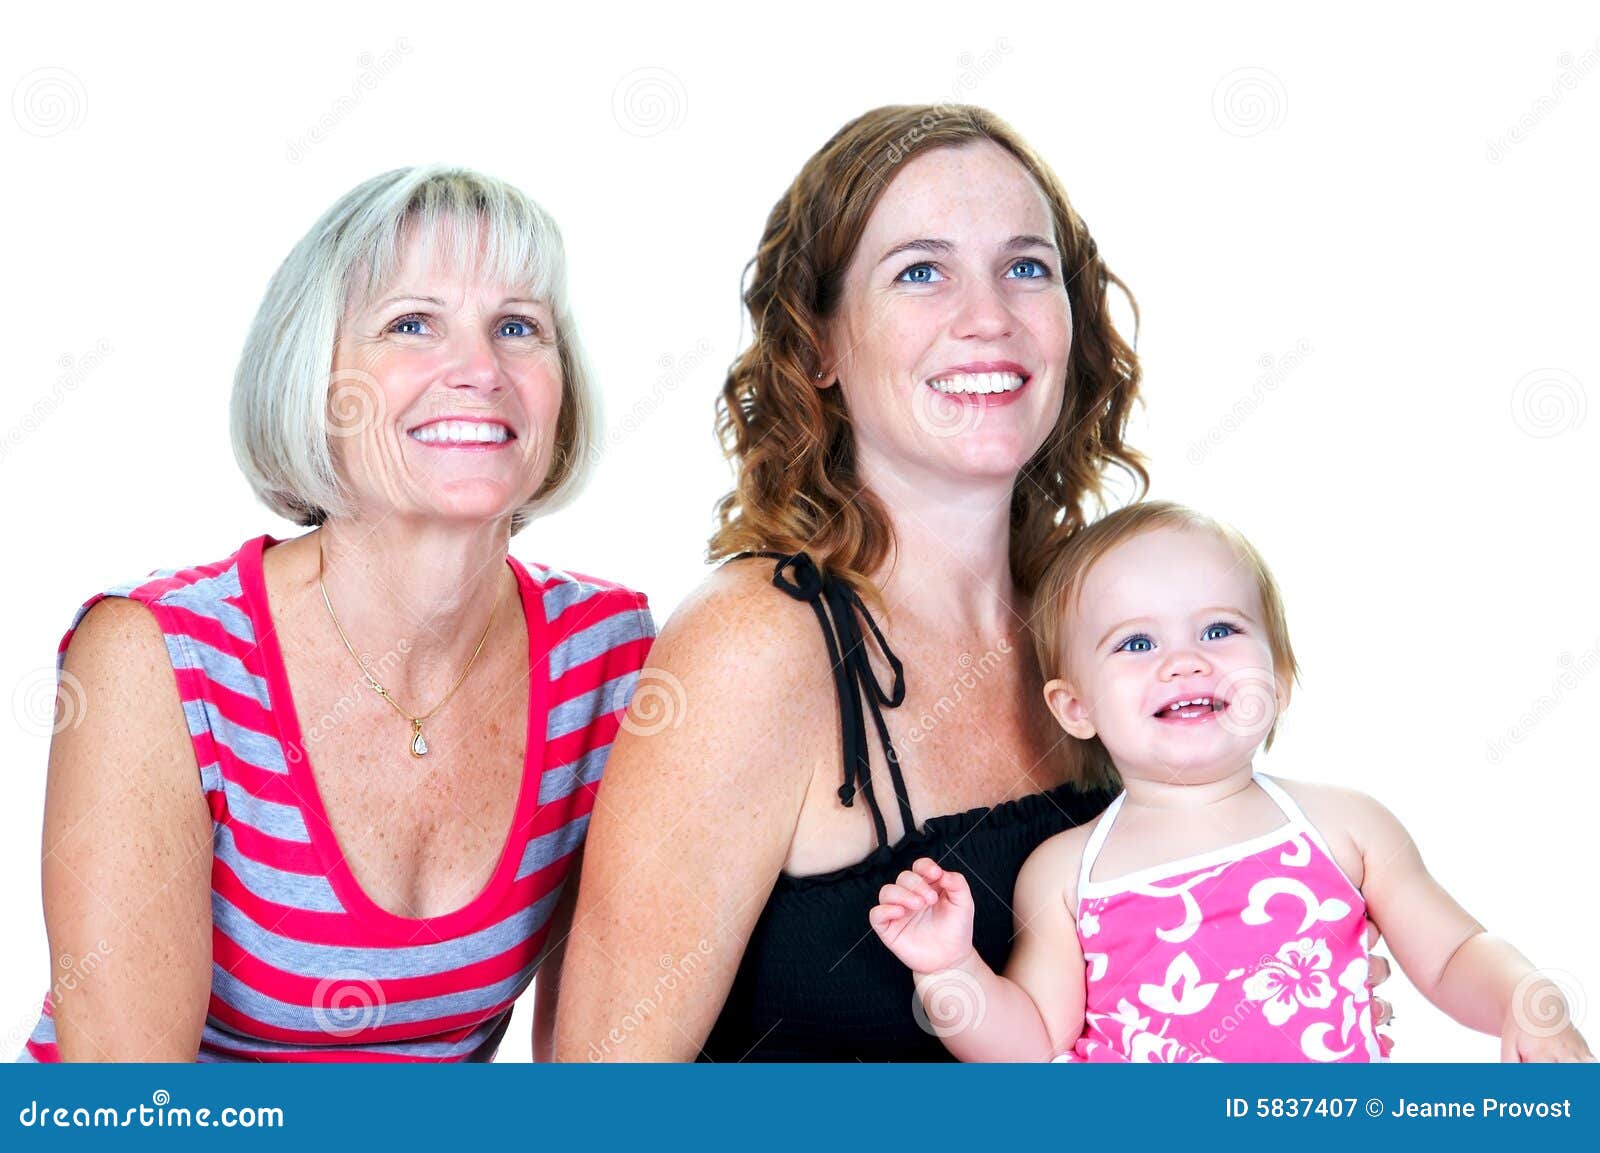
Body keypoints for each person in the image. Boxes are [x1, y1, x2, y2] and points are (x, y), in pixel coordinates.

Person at [554, 105, 1394, 1061]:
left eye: (1026, 267)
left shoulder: (1114, 619)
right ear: (819, 343)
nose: (987, 316)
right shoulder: (755, 647)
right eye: (920, 270)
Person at [20, 165, 653, 1062]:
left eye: (518, 327)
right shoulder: (157, 658)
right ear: (312, 380)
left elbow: (592, 1077)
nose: (481, 370)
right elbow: (127, 1109)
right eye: (410, 324)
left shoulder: (611, 654)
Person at [871, 501, 1594, 1063]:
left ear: (1277, 679)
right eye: (1137, 642)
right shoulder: (1066, 871)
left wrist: (1527, 996)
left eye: (1219, 630)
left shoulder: (1345, 826)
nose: (1185, 661)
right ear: (1075, 706)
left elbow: (1453, 955)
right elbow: (1027, 1045)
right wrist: (949, 969)